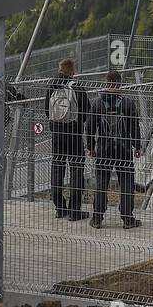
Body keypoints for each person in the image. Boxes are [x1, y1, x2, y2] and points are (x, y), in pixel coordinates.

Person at [88, 69, 142, 229]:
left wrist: (90, 146)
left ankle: (97, 217)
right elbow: (134, 127)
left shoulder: (97, 103)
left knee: (101, 182)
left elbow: (90, 127)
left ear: (106, 83)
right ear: (119, 84)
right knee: (126, 182)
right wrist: (137, 146)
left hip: (104, 149)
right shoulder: (128, 103)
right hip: (123, 149)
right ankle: (127, 218)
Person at [44, 57, 90, 220]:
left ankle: (60, 208)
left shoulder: (52, 85)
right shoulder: (76, 87)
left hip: (56, 134)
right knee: (76, 170)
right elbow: (86, 111)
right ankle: (75, 211)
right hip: (74, 134)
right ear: (72, 71)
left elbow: (47, 111)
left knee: (57, 168)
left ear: (60, 69)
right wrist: (77, 123)